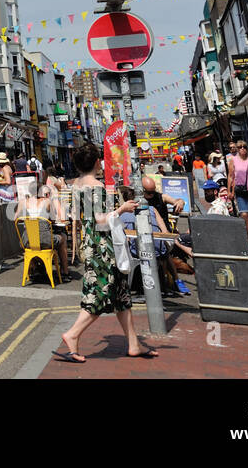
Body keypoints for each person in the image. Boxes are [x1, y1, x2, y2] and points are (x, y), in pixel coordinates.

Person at [55, 147, 158, 363]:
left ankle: (133, 344)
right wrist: (123, 209)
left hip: (91, 243)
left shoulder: (76, 185)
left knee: (121, 295)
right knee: (99, 294)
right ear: (96, 162)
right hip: (103, 247)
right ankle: (72, 335)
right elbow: (101, 220)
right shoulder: (97, 187)